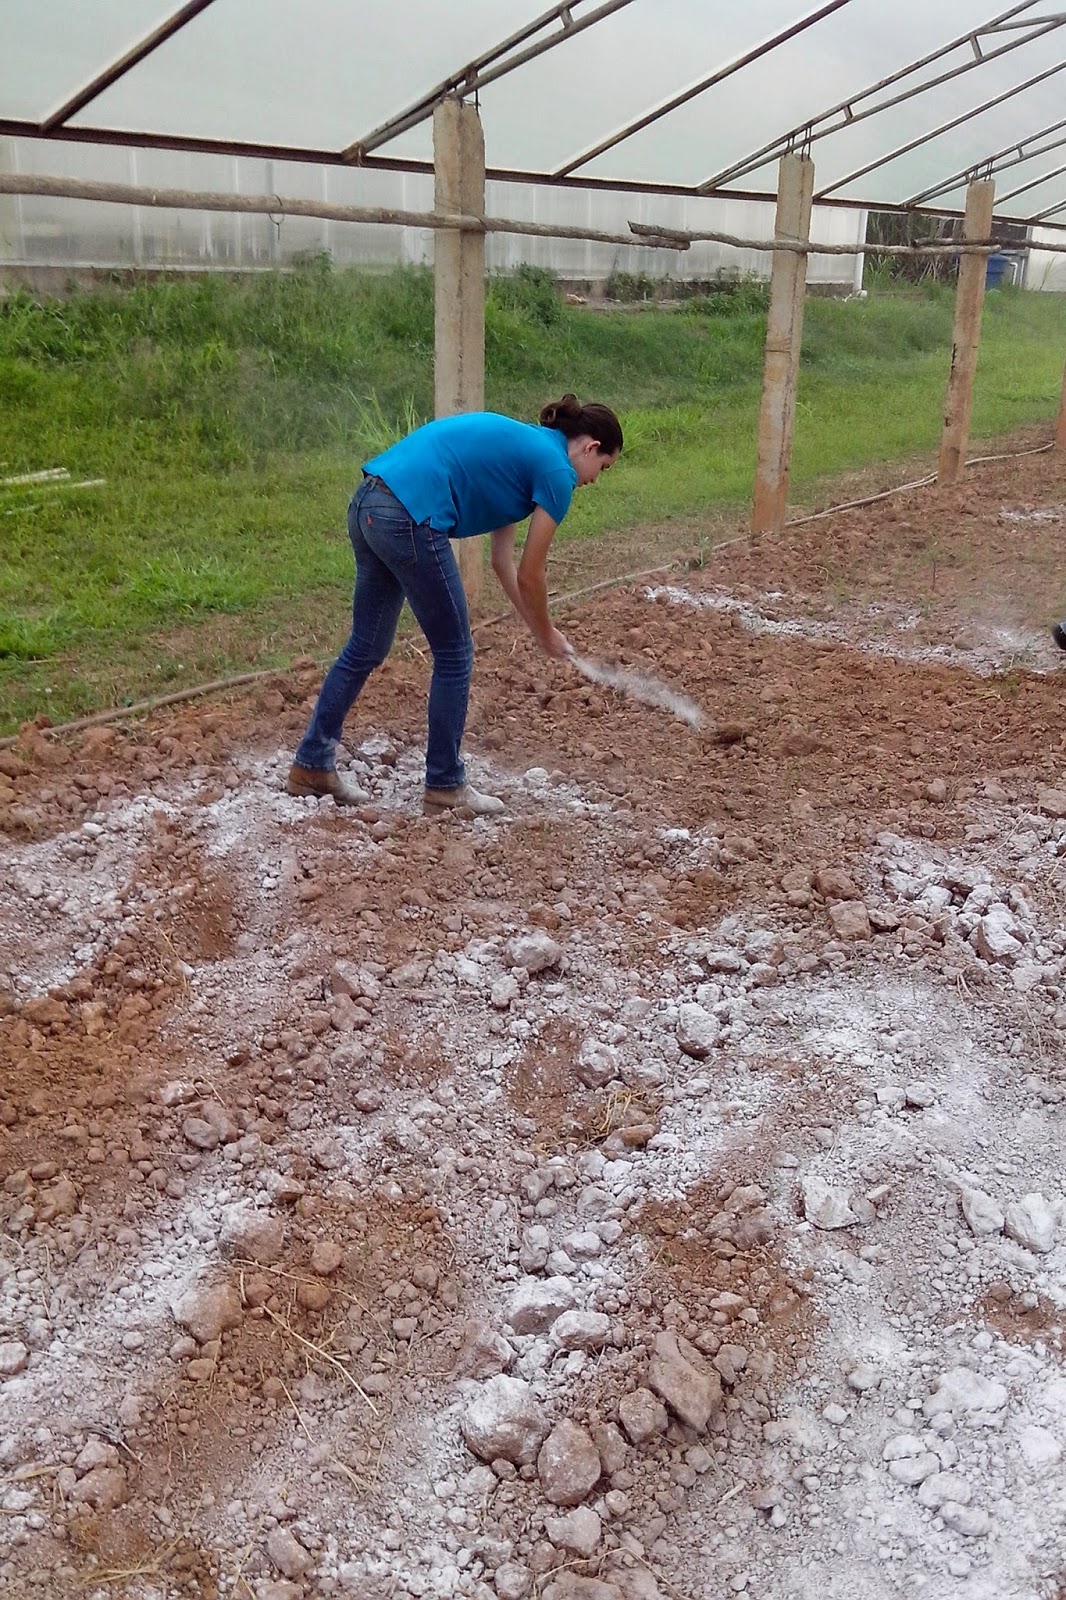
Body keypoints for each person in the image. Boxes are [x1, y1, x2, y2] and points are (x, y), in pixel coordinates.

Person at [287, 394, 623, 816]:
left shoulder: (527, 453)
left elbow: (502, 564)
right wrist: (549, 630)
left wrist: (540, 634)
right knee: (455, 653)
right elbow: (530, 574)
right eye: (603, 467)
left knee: (367, 644)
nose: (595, 479)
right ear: (590, 447)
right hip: (410, 516)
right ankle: (445, 782)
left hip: (370, 503)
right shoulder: (556, 471)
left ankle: (312, 764)